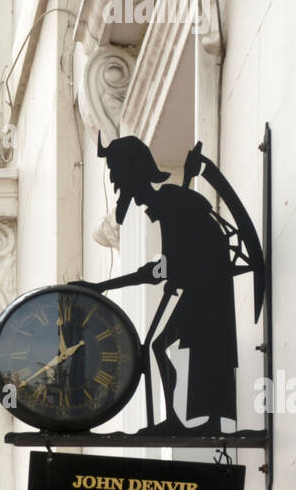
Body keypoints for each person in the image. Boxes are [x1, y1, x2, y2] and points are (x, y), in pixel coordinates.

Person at [76, 135, 262, 433]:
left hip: (206, 293)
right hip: (202, 291)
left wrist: (103, 286)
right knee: (170, 347)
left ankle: (188, 421)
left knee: (170, 346)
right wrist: (104, 286)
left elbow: (164, 267)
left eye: (118, 176)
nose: (117, 185)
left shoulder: (172, 202)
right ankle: (194, 420)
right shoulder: (169, 203)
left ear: (132, 173)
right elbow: (163, 267)